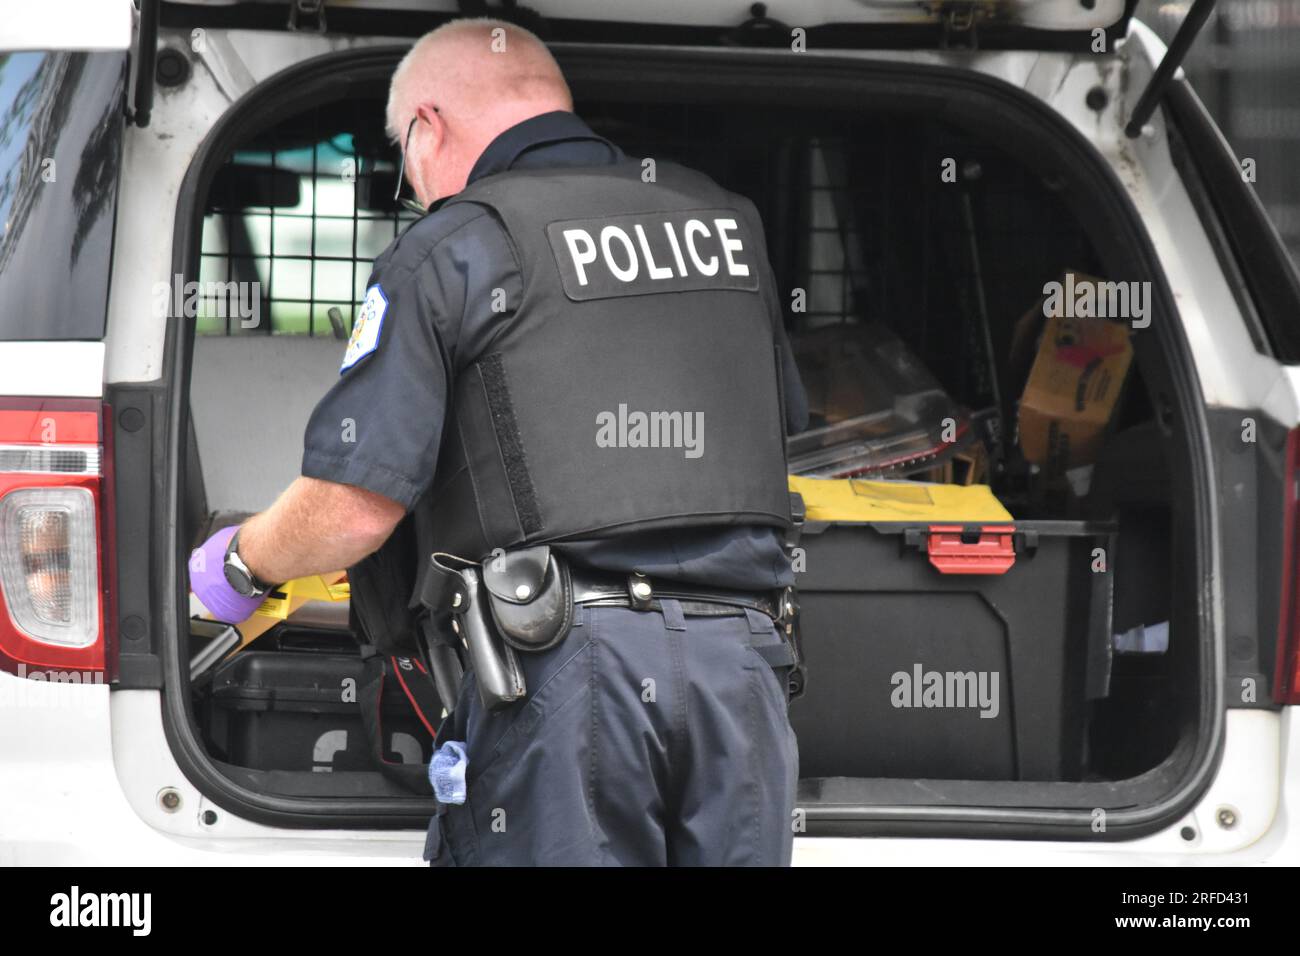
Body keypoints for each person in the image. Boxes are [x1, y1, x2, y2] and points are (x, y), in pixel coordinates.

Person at [189, 17, 808, 866]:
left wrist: (237, 564)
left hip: (572, 673)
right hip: (744, 672)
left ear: (428, 126)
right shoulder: (727, 224)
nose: (414, 186)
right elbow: (783, 433)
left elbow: (355, 508)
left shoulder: (453, 247)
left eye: (404, 159)